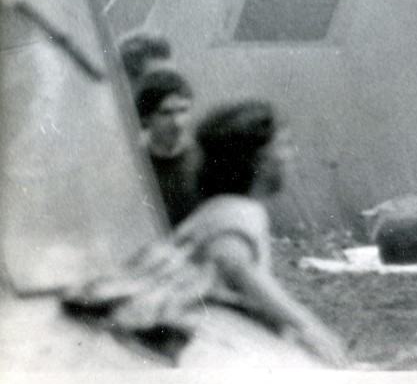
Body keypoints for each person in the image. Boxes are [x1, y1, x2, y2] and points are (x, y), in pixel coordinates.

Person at [64, 100, 347, 365]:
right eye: (284, 145)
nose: (291, 155)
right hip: (207, 345)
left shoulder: (214, 209)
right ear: (258, 160)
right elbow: (231, 261)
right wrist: (306, 324)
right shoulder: (240, 210)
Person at [134, 69, 200, 228]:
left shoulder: (205, 163)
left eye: (183, 110)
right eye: (166, 113)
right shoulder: (135, 168)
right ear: (146, 118)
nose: (177, 122)